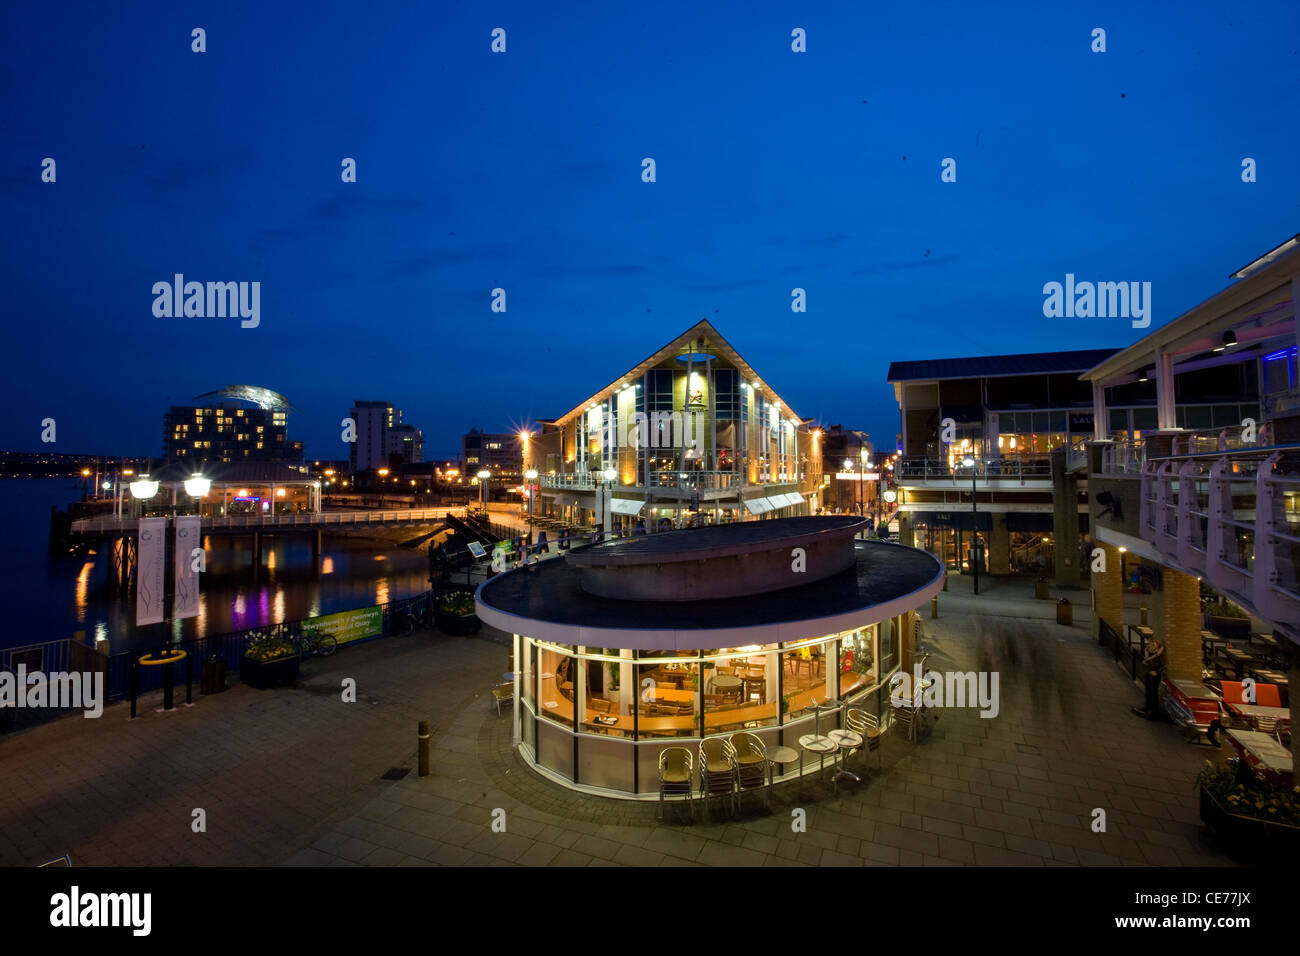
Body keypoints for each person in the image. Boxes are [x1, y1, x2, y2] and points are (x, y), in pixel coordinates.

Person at [1131, 637, 1166, 719]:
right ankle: (1147, 706)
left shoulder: (1159, 656)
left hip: (1154, 675)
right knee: (1148, 691)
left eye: (1153, 644)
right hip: (1148, 673)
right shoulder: (1148, 653)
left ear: (1157, 646)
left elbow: (1163, 666)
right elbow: (1145, 663)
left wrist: (1156, 672)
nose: (1151, 646)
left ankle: (1153, 709)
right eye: (1150, 644)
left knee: (1153, 692)